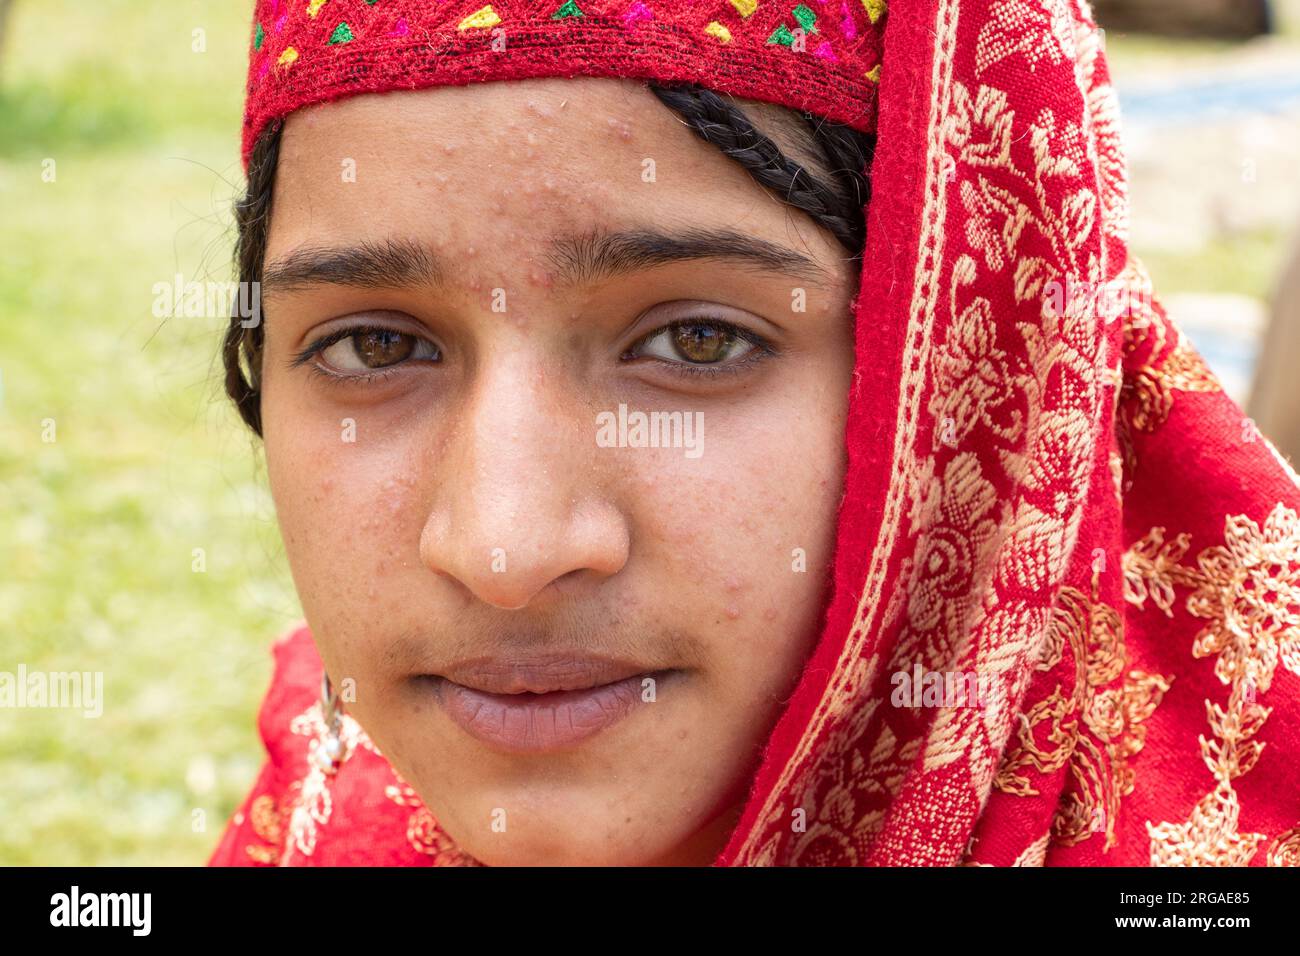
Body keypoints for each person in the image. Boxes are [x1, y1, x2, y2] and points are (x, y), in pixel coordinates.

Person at [209, 0, 1300, 867]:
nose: (505, 547)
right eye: (377, 350)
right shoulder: (324, 813)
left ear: (978, 382)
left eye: (694, 340)